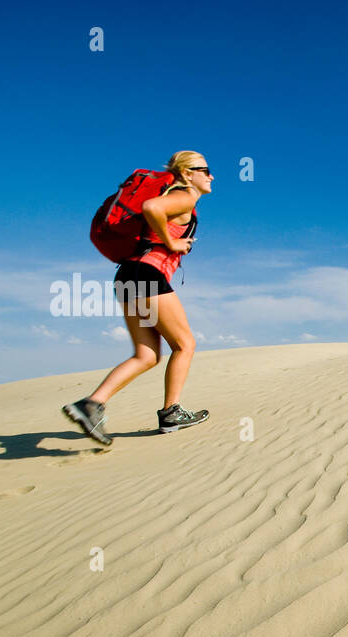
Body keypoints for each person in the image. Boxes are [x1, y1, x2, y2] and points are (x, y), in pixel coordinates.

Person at [63, 150, 214, 445]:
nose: (211, 175)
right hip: (146, 276)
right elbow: (151, 207)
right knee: (185, 344)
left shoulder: (181, 196)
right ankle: (171, 412)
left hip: (127, 277)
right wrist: (172, 242)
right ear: (187, 172)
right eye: (205, 169)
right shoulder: (185, 196)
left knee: (146, 355)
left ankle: (91, 404)